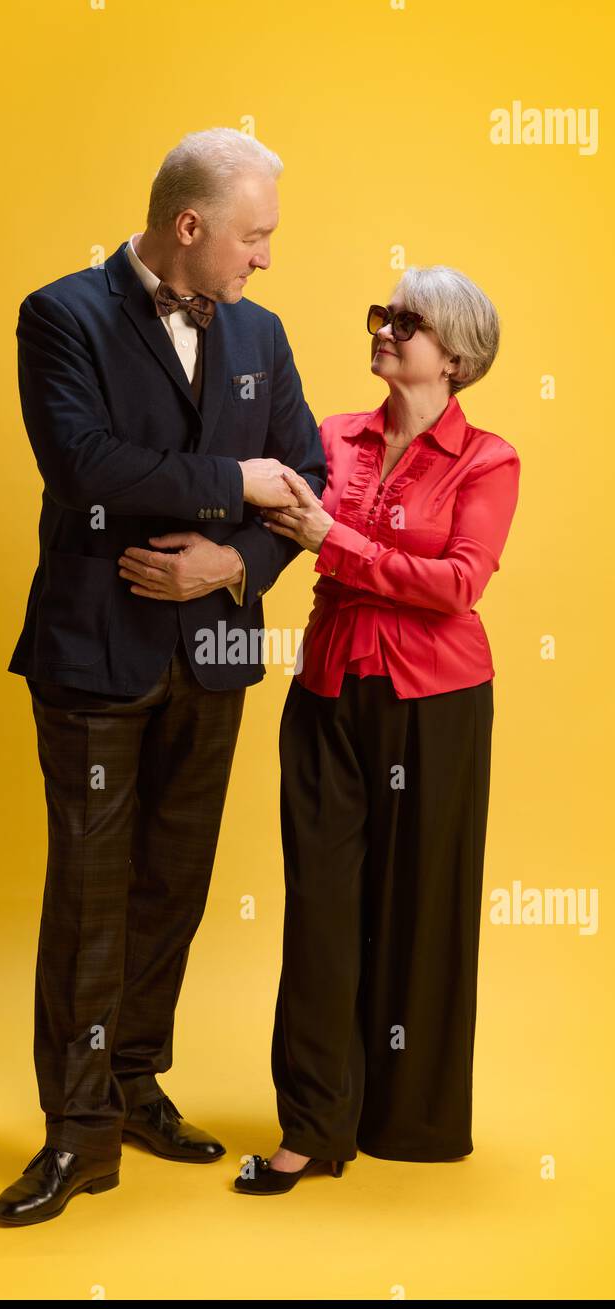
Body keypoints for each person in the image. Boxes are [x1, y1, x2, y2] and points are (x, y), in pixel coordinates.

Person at [0, 127, 326, 1225]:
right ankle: (77, 1137)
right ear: (189, 228)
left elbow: (308, 480)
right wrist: (235, 478)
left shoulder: (261, 333)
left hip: (219, 647)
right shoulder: (62, 315)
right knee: (89, 901)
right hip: (94, 650)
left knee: (171, 887)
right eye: (253, 236)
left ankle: (135, 1085)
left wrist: (235, 557)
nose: (263, 258)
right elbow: (83, 462)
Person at [235, 266, 521, 1194]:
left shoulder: (488, 460)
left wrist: (336, 542)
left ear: (458, 356)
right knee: (320, 908)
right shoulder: (331, 437)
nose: (387, 330)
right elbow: (279, 526)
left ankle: (414, 1119)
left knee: (421, 905)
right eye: (385, 315)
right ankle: (313, 1127)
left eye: (410, 322)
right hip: (327, 689)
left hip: (437, 702)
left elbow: (457, 585)